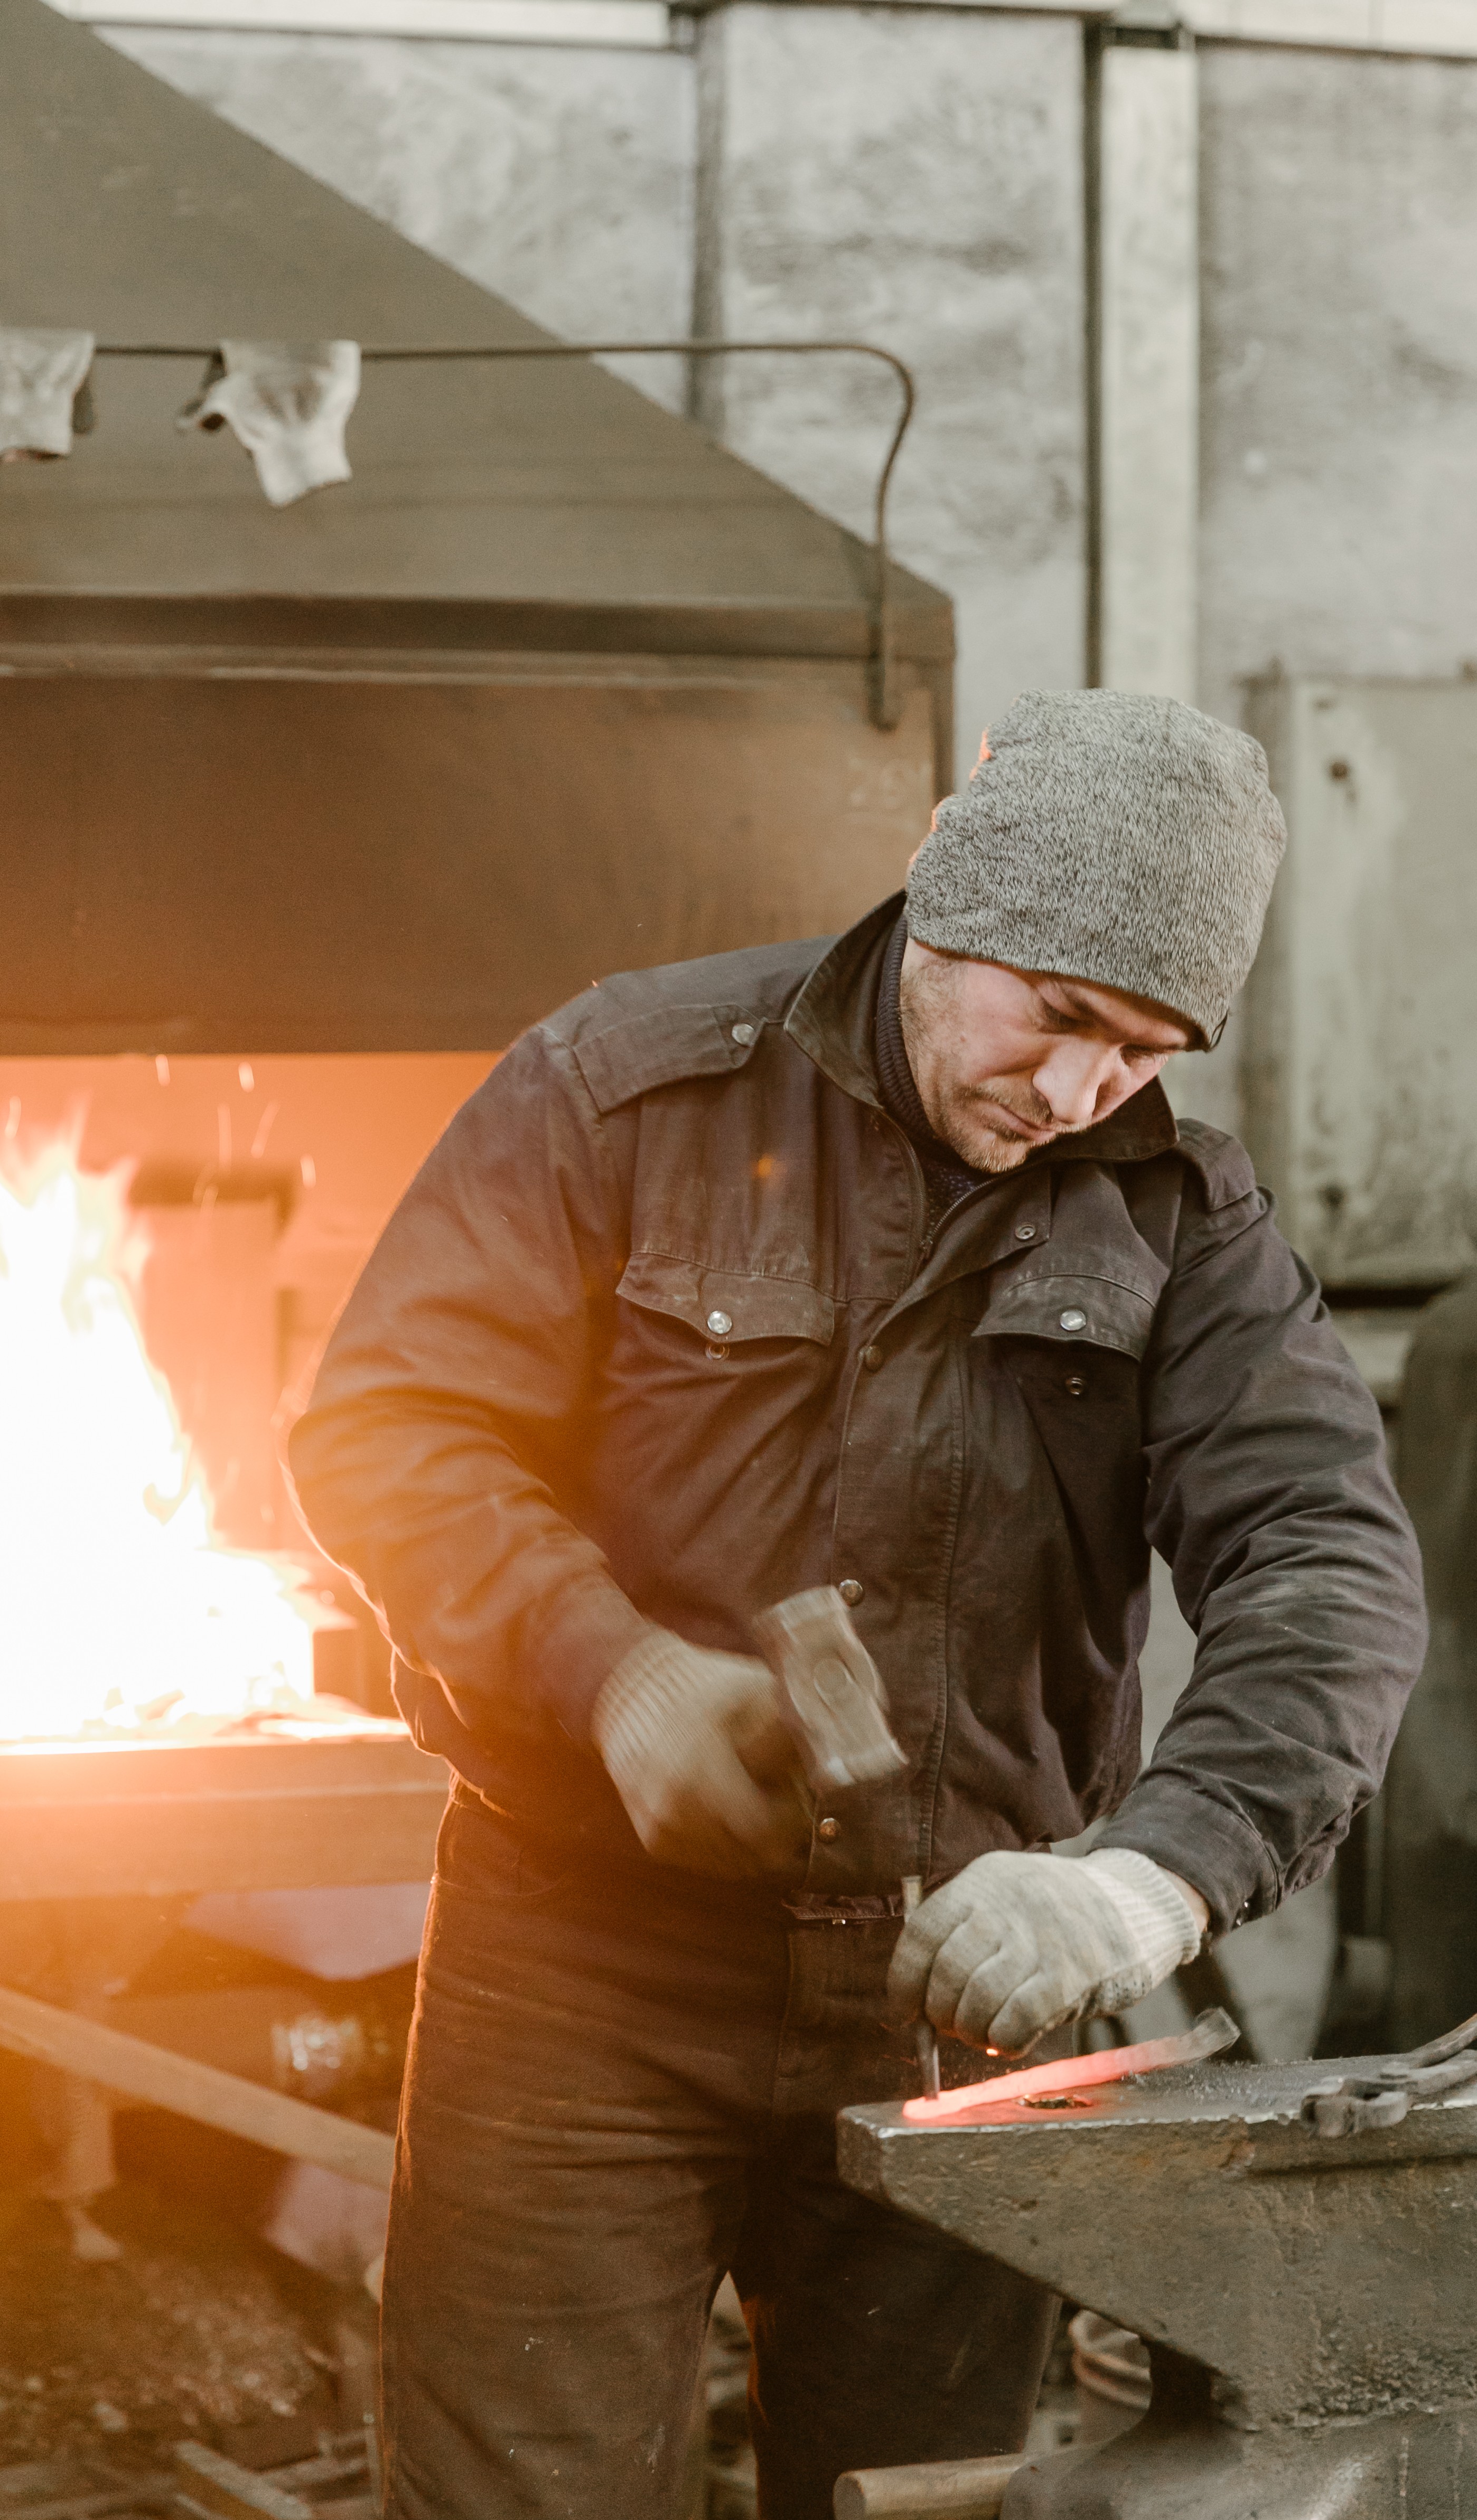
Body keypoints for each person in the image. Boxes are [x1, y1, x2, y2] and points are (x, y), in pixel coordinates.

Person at [288, 690, 1425, 2520]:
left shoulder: (1177, 1217)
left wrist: (1142, 1878)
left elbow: (1328, 1561)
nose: (1074, 1096)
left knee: (919, 2502)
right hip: (585, 1971)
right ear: (944, 909)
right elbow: (391, 1424)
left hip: (965, 2002)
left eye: (1137, 1053)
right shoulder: (625, 1087)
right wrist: (611, 1671)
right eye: (1056, 1017)